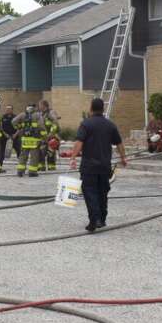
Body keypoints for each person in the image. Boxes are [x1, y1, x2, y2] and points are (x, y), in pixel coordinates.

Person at [69, 97, 126, 233]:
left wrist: (73, 158)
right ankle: (101, 219)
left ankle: (94, 219)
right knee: (102, 192)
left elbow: (79, 142)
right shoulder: (110, 125)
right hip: (105, 166)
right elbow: (119, 143)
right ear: (103, 108)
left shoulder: (86, 124)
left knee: (90, 192)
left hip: (89, 167)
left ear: (91, 108)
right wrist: (123, 158)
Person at [14, 103, 44, 176]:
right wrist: (44, 136)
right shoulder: (37, 115)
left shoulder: (22, 114)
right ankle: (32, 172)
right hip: (35, 139)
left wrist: (19, 127)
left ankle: (20, 171)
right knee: (34, 156)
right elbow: (41, 126)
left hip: (25, 139)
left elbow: (13, 121)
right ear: (34, 108)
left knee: (23, 155)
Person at [40, 99, 60, 171]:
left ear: (44, 105)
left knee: (50, 153)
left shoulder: (51, 113)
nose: (39, 107)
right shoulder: (41, 114)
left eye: (40, 105)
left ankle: (51, 167)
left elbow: (55, 124)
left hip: (51, 137)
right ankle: (41, 167)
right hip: (43, 137)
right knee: (41, 152)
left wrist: (51, 134)